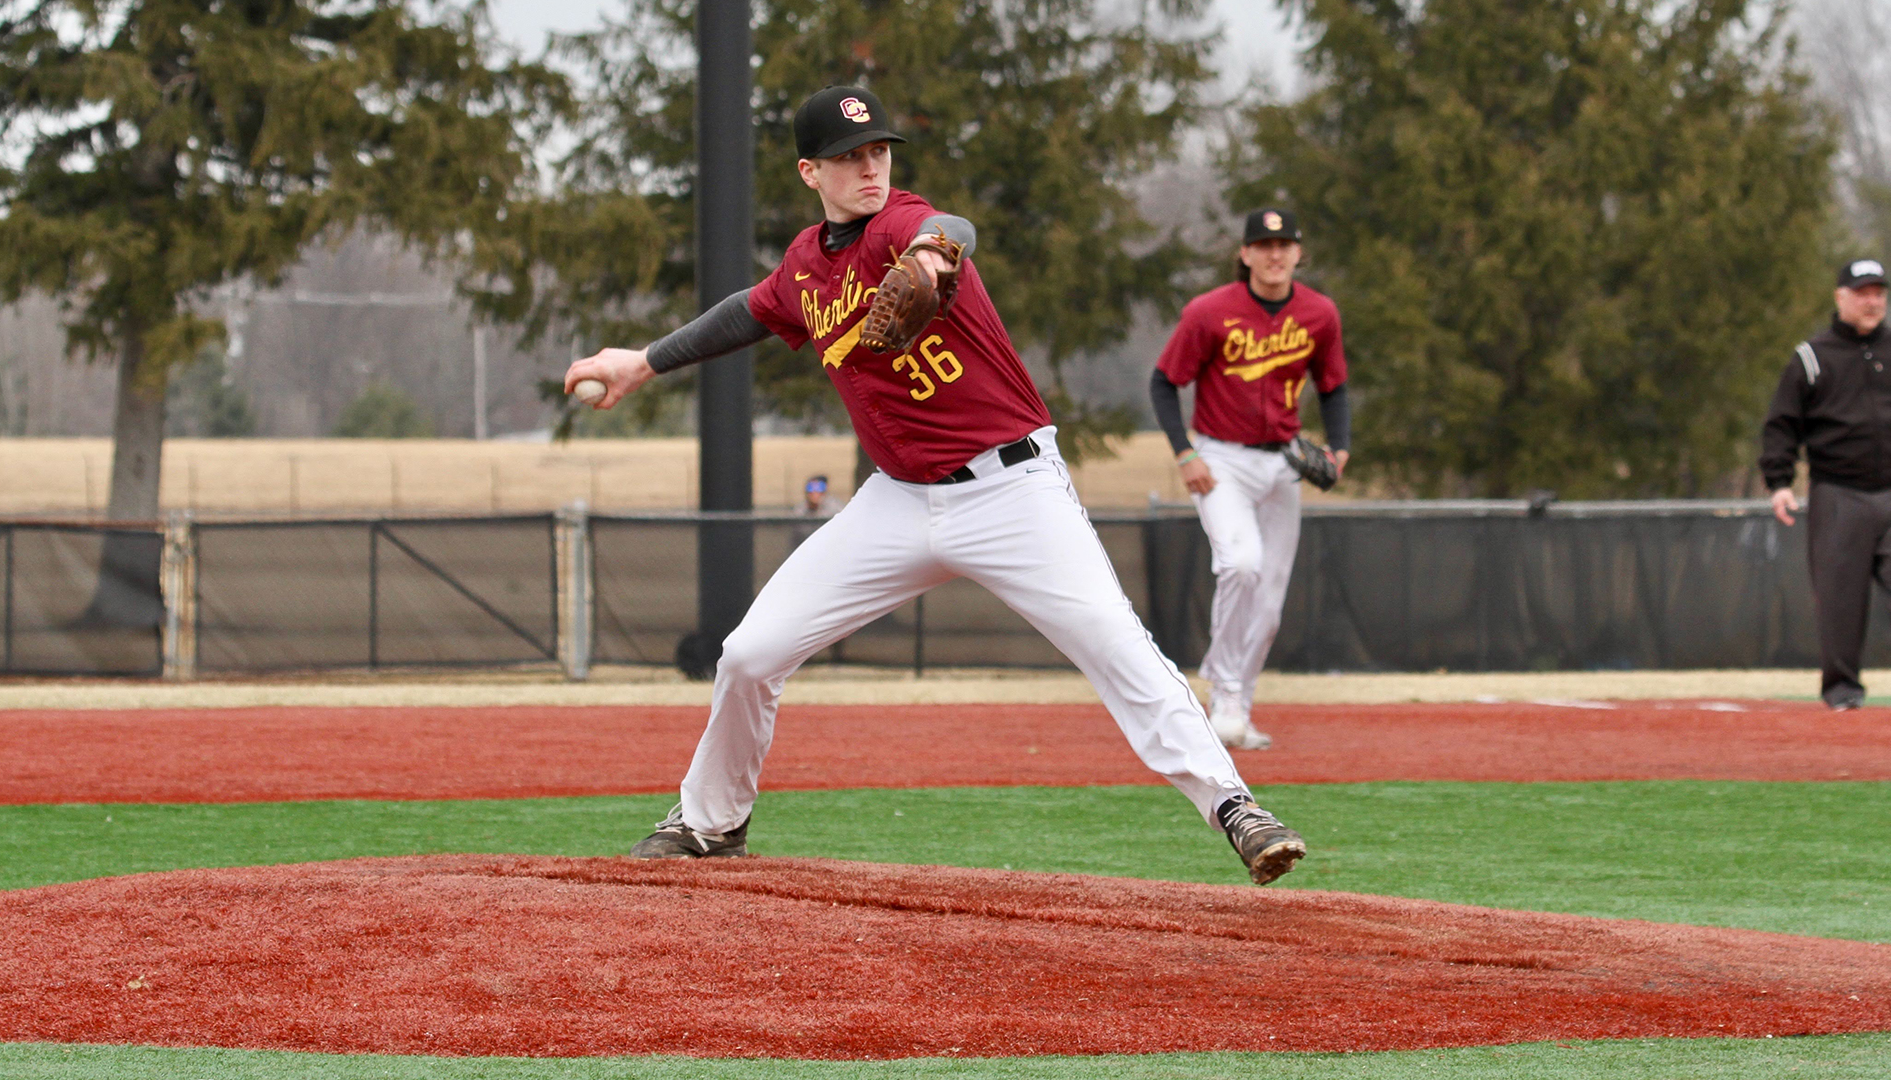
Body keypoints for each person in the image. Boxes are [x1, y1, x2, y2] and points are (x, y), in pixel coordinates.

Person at [564, 85, 1306, 884]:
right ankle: (711, 823)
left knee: (1113, 641)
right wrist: (641, 362)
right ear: (810, 171)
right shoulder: (806, 269)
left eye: (878, 151)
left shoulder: (902, 223)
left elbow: (949, 229)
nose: (869, 167)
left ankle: (1235, 808)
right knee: (749, 653)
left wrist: (927, 257)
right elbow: (748, 309)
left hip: (1011, 487)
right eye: (849, 158)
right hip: (898, 499)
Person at [1150, 209, 1350, 749]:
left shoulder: (1318, 313)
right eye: (1263, 244)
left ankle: (1239, 702)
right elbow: (1164, 383)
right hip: (1222, 459)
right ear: (1244, 254)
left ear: (1298, 253)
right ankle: (1224, 687)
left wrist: (1340, 446)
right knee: (1240, 564)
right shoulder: (1210, 311)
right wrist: (1185, 453)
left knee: (1271, 598)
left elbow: (1332, 386)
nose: (1274, 253)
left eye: (1284, 243)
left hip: (1283, 460)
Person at [1761, 257, 1891, 710]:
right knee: (1841, 596)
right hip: (1839, 492)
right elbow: (1781, 423)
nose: (1872, 301)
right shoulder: (1812, 357)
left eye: (1879, 292)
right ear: (1841, 297)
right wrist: (1779, 481)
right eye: (1863, 292)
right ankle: (1843, 693)